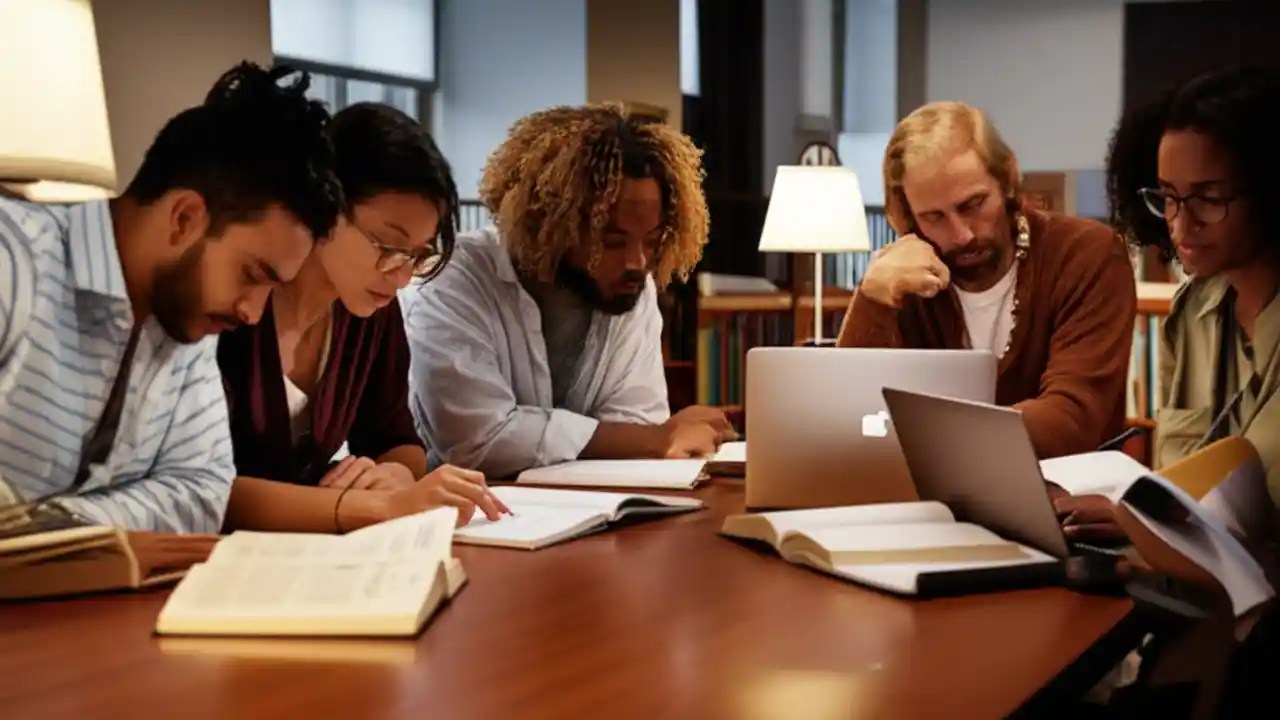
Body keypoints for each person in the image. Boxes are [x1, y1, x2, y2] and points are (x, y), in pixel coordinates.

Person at [0, 62, 342, 534]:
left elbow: (202, 492)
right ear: (184, 218)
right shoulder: (15, 260)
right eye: (251, 274)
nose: (252, 310)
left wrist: (43, 529)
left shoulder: (185, 324)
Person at [403, 104, 733, 478]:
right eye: (612, 241)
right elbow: (477, 440)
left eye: (653, 241)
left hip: (589, 511)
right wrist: (647, 439)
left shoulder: (631, 291)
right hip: (469, 518)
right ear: (552, 225)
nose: (638, 262)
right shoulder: (451, 278)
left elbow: (638, 421)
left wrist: (643, 438)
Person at [218, 103, 504, 531]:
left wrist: (392, 477)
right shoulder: (237, 302)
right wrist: (381, 507)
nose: (403, 276)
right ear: (326, 206)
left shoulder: (368, 308)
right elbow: (207, 488)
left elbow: (397, 439)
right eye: (388, 245)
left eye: (419, 255)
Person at [838, 101, 1137, 460]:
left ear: (1007, 179)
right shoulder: (907, 275)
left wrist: (928, 437)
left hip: (1065, 498)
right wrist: (871, 298)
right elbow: (846, 421)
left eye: (973, 204)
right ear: (909, 218)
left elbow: (1071, 420)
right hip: (930, 501)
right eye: (934, 217)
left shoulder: (1086, 254)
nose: (961, 234)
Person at [1107, 66, 1280, 516]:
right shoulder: (1190, 311)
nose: (1182, 224)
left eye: (1210, 197)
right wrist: (1135, 520)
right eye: (1168, 196)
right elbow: (1180, 487)